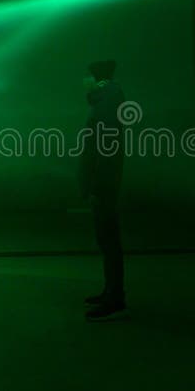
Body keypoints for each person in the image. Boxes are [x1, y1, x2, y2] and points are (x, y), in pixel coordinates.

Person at [79, 59, 127, 321]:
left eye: (86, 76)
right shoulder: (108, 101)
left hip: (104, 184)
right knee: (107, 240)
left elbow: (104, 150)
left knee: (108, 239)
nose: (83, 82)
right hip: (105, 183)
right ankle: (111, 291)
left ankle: (115, 296)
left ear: (97, 78)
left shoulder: (105, 104)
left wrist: (96, 185)